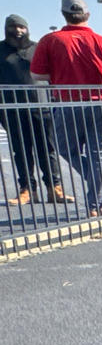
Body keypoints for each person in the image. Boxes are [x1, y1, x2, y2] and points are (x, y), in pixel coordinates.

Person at [29, 0, 102, 217]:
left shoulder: (50, 40)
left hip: (69, 103)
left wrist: (60, 75)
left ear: (64, 15)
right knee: (100, 156)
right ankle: (97, 204)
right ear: (87, 14)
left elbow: (37, 74)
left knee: (66, 149)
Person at [1, 15, 67, 206]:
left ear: (27, 29)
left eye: (21, 26)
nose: (18, 30)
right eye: (13, 27)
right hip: (12, 109)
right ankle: (27, 190)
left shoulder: (39, 48)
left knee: (47, 149)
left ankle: (54, 188)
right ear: (6, 29)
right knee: (21, 150)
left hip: (42, 107)